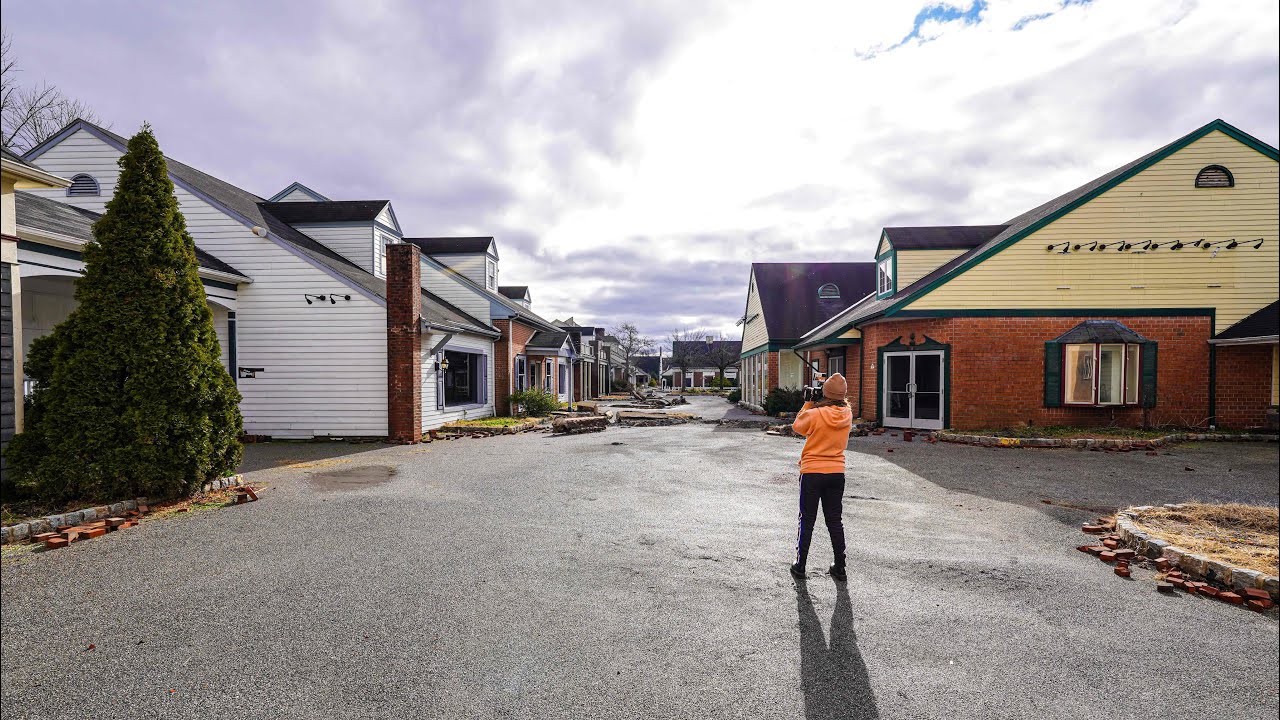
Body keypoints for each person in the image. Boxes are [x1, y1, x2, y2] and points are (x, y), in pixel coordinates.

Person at [789, 372, 853, 582]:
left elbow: (797, 427)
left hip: (812, 471)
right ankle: (840, 566)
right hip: (836, 472)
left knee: (807, 519)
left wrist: (808, 403)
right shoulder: (847, 414)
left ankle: (800, 565)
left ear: (824, 393)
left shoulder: (815, 414)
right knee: (834, 520)